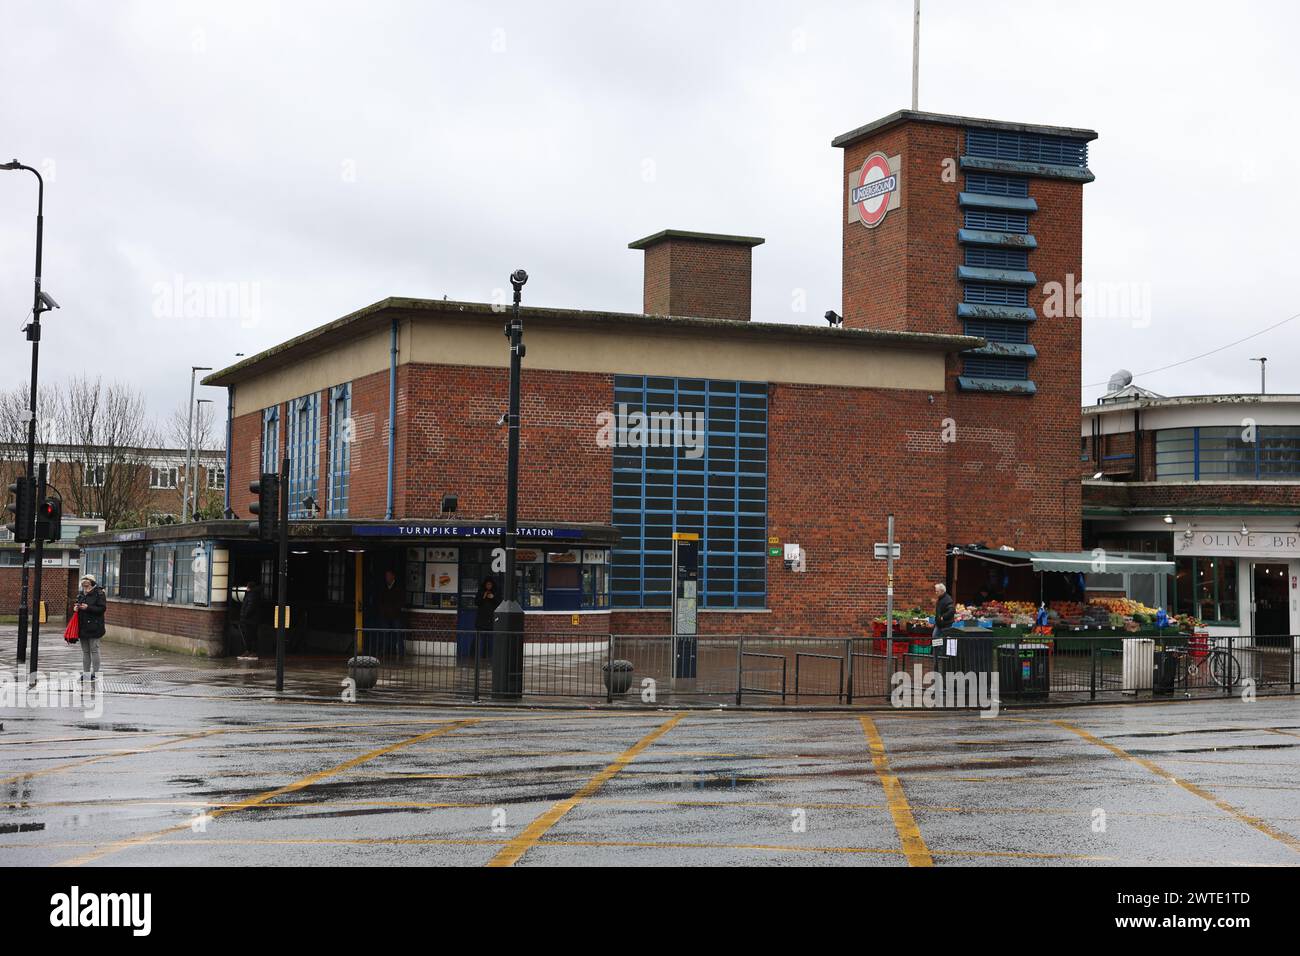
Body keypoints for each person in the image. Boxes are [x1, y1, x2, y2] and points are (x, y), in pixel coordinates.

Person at [74, 575, 106, 684]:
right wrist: (76, 608)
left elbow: (102, 609)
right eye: (83, 586)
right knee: (85, 651)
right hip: (83, 626)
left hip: (95, 627)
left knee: (94, 650)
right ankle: (86, 673)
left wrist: (88, 607)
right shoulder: (81, 594)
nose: (85, 588)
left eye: (87, 585)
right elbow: (78, 604)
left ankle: (95, 673)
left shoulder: (99, 593)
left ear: (91, 583)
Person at [376, 568, 405, 659]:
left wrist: (394, 609)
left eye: (388, 576)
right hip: (385, 615)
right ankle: (384, 651)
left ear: (393, 576)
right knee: (385, 633)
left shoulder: (399, 587)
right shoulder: (383, 587)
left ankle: (401, 652)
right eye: (386, 576)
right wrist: (383, 610)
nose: (387, 578)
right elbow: (380, 600)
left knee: (398, 634)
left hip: (396, 615)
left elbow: (401, 601)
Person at [475, 577, 500, 657]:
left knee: (490, 639)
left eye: (490, 584)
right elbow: (477, 602)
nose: (489, 586)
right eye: (487, 584)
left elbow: (500, 603)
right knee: (481, 639)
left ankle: (490, 655)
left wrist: (493, 598)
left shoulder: (495, 592)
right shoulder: (481, 592)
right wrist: (483, 596)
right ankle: (480, 656)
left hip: (492, 619)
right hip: (482, 620)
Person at [238, 579, 262, 661]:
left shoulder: (252, 595)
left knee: (250, 636)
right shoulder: (251, 594)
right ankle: (249, 651)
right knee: (249, 636)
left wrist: (244, 615)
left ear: (249, 587)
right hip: (250, 619)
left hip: (250, 620)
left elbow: (250, 607)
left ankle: (252, 651)